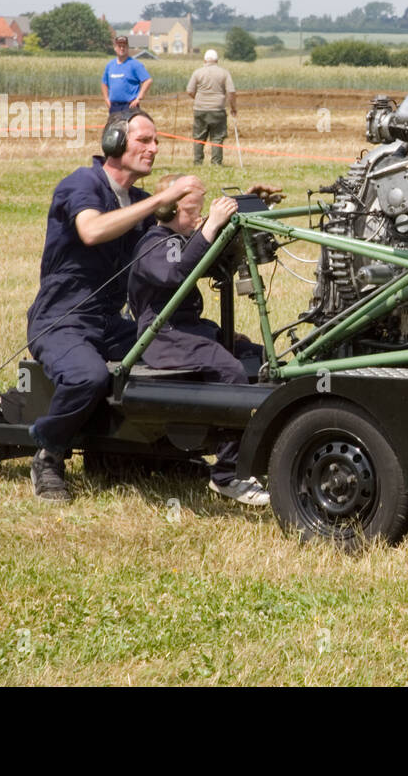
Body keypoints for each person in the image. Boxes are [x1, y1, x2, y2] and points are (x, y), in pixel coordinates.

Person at [26, 111, 204, 501]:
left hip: (111, 322)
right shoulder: (82, 183)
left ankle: (151, 449)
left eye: (157, 141)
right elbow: (91, 230)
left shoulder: (139, 202)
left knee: (183, 353)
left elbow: (184, 233)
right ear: (115, 143)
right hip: (61, 320)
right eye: (144, 140)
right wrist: (161, 198)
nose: (153, 148)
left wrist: (235, 212)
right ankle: (48, 453)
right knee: (88, 376)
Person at [127, 177, 269, 506]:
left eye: (202, 213)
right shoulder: (156, 242)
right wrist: (212, 226)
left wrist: (248, 204)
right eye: (193, 213)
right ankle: (227, 476)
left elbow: (210, 253)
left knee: (258, 358)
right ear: (167, 209)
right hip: (162, 336)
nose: (199, 219)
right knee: (231, 370)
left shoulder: (181, 237)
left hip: (188, 329)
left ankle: (257, 454)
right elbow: (174, 272)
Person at [185, 49, 238, 166]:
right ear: (217, 61)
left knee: (199, 137)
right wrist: (233, 108)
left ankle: (198, 162)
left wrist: (198, 99)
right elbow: (231, 92)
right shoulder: (224, 73)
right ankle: (216, 163)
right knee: (217, 138)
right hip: (218, 109)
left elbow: (189, 90)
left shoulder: (198, 72)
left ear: (204, 60)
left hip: (200, 109)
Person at [102, 36, 153, 114]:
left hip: (130, 106)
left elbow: (148, 80)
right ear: (115, 48)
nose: (122, 48)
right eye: (119, 46)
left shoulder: (135, 65)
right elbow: (104, 83)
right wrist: (106, 99)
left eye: (124, 46)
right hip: (114, 106)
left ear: (127, 48)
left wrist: (139, 98)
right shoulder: (110, 65)